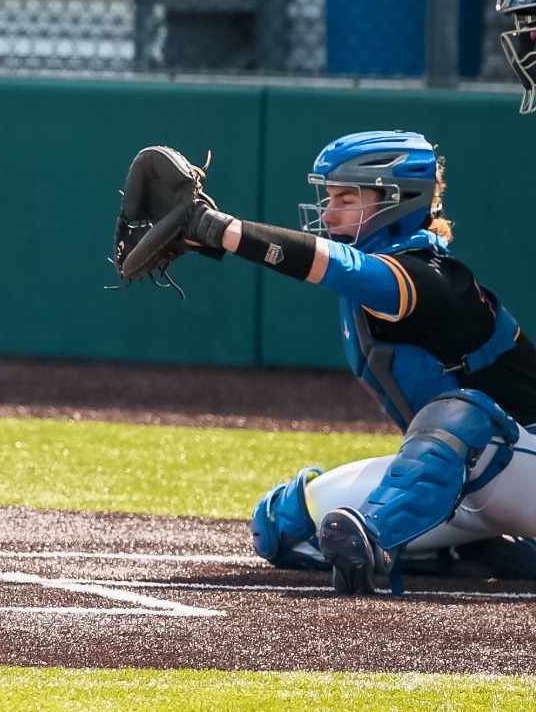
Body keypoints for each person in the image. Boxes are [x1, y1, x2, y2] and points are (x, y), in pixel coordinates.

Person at [114, 131, 536, 596]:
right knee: (283, 525)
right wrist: (199, 239)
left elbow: (338, 267)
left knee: (458, 414)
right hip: (468, 487)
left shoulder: (432, 279)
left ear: (398, 202)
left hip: (520, 469)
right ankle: (481, 552)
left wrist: (219, 229)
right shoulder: (380, 274)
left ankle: (374, 540)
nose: (330, 212)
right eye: (330, 196)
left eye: (347, 198)